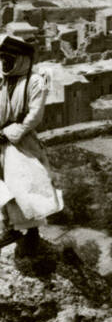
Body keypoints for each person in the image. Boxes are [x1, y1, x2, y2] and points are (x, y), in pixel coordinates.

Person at [0, 34, 61, 247]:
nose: (4, 61)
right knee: (3, 188)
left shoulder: (34, 82)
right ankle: (9, 228)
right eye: (2, 57)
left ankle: (32, 231)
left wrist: (14, 131)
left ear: (21, 59)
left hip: (21, 142)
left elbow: (35, 115)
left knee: (24, 184)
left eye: (8, 57)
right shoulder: (3, 79)